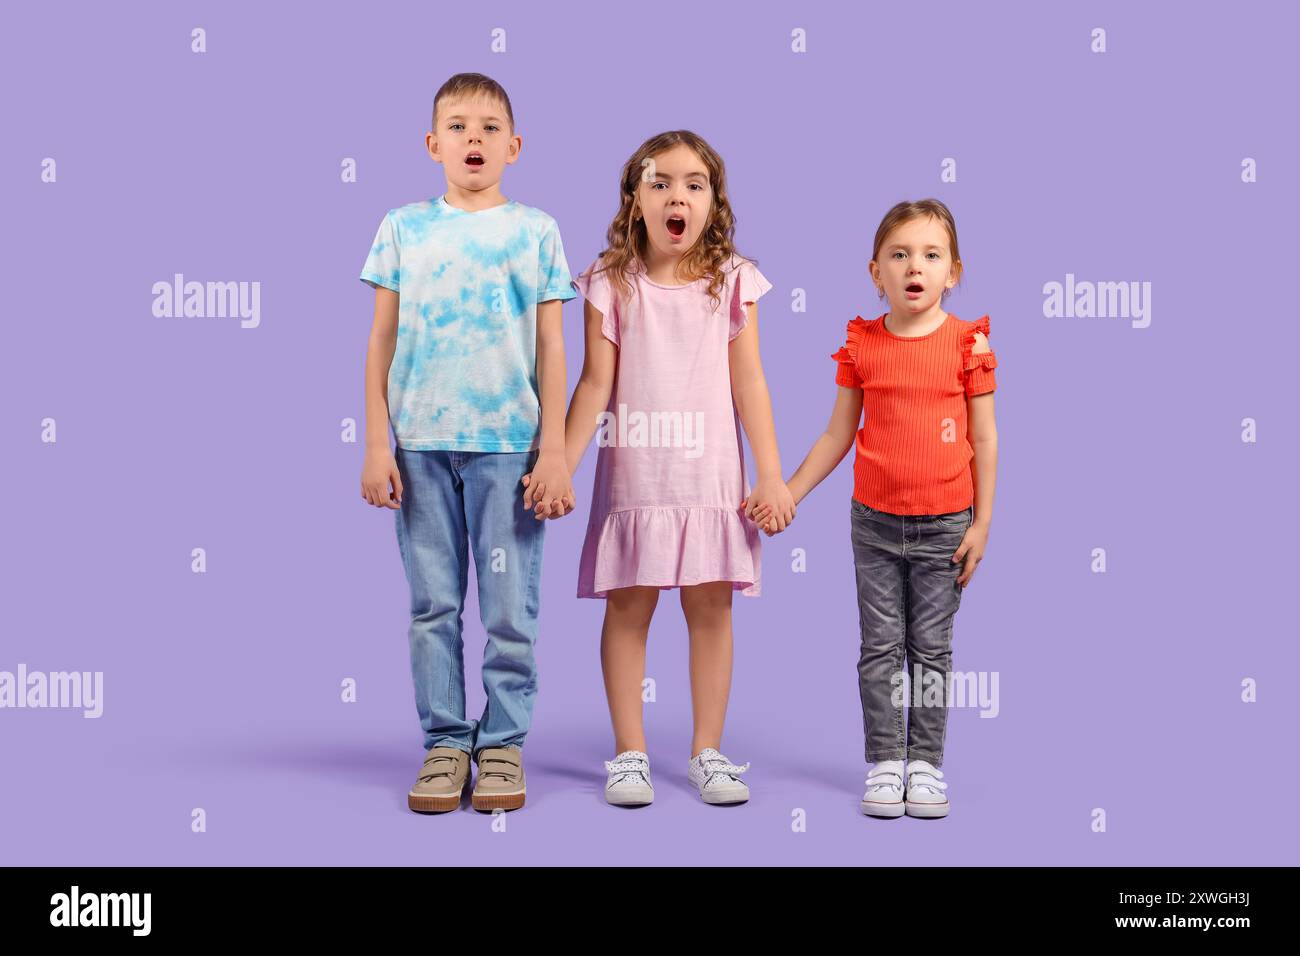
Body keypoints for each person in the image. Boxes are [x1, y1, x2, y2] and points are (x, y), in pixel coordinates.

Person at [357, 73, 577, 814]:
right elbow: (380, 340)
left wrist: (555, 450)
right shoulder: (402, 228)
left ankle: (504, 745)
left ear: (514, 147)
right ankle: (447, 743)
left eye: (489, 127)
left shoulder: (536, 231)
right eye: (457, 126)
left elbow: (553, 347)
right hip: (418, 447)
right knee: (433, 605)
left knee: (511, 608)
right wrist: (376, 442)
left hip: (509, 449)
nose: (473, 138)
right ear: (432, 144)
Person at [753, 199, 999, 819]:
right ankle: (887, 761)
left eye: (930, 254)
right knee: (881, 646)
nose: (915, 266)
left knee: (933, 649)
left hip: (947, 523)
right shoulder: (864, 343)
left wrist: (983, 523)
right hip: (875, 523)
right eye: (900, 254)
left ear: (954, 272)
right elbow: (838, 435)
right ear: (875, 272)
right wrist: (788, 488)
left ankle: (927, 764)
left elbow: (986, 438)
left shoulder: (967, 344)